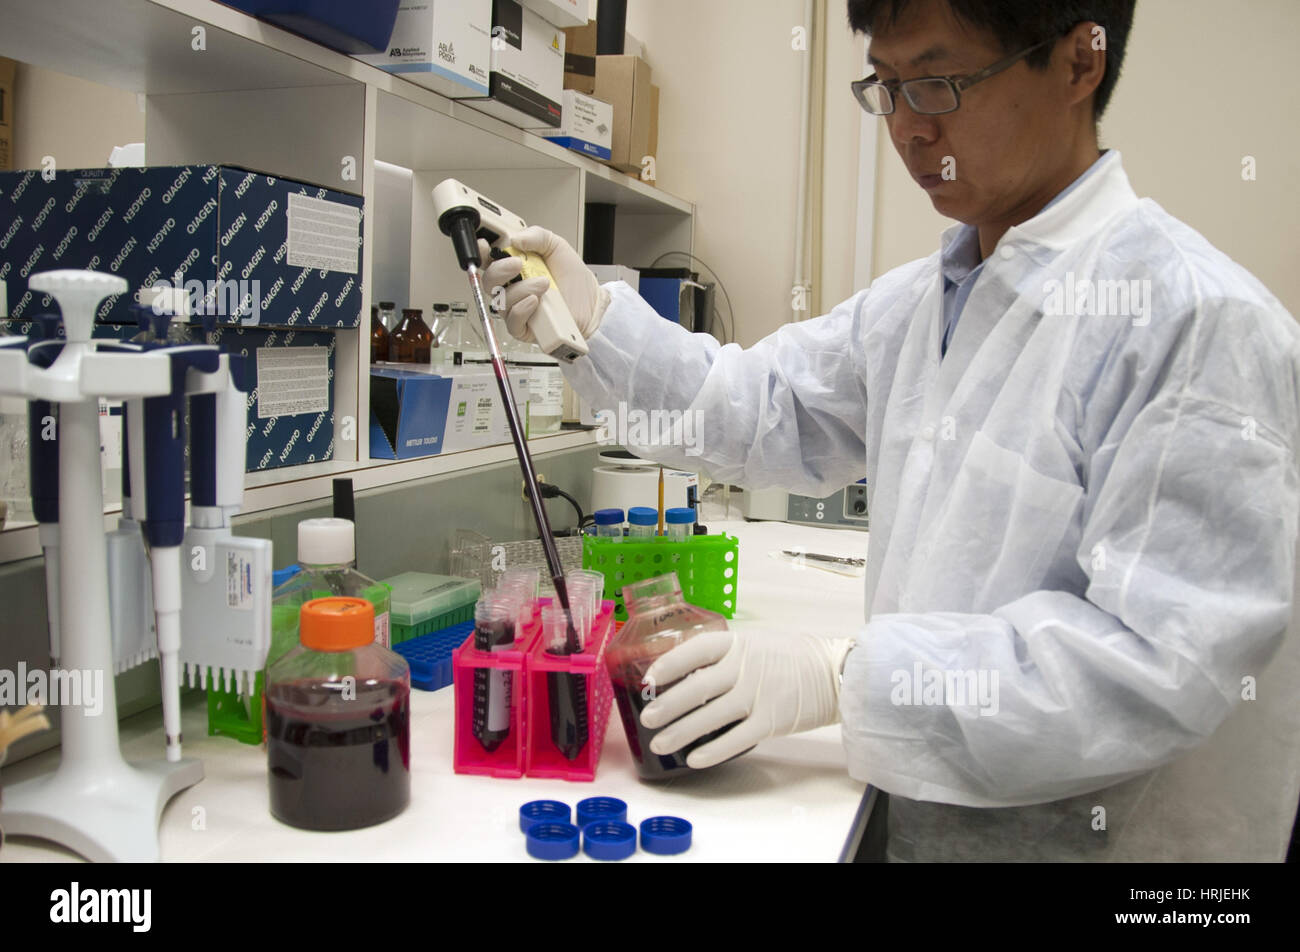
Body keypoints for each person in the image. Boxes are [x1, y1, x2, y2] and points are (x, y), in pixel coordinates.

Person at [482, 0, 1300, 861]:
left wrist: (845, 675)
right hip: (933, 825)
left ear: (1077, 64)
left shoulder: (1197, 321)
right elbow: (766, 406)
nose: (908, 128)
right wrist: (595, 320)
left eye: (941, 83)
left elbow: (1154, 668)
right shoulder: (930, 296)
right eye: (890, 85)